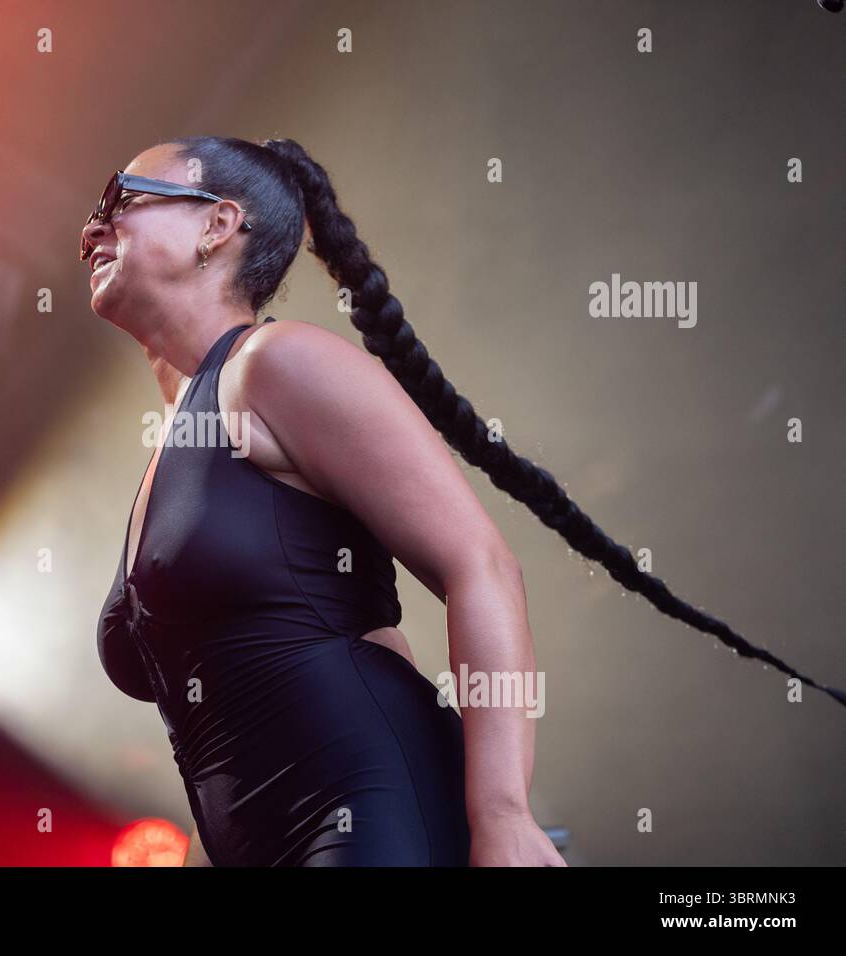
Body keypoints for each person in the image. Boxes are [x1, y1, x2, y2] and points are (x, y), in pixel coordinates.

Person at [83, 136, 843, 867]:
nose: (93, 225)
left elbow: (480, 565)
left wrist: (503, 813)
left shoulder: (276, 365)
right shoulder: (180, 435)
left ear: (217, 223)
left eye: (120, 196)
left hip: (366, 813)